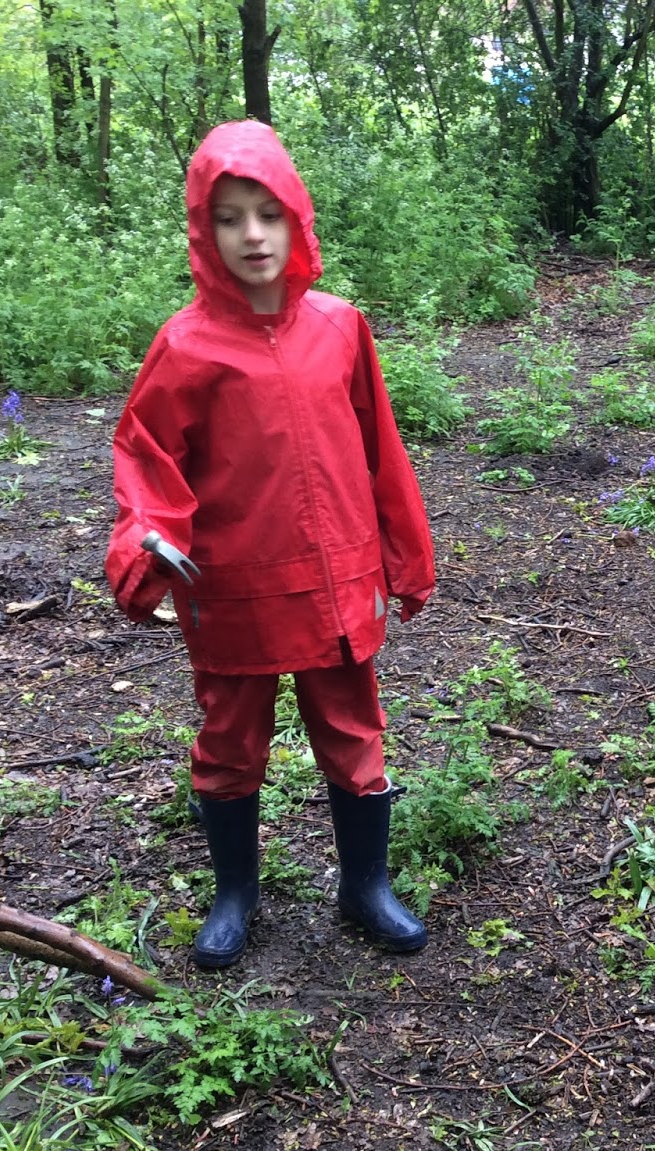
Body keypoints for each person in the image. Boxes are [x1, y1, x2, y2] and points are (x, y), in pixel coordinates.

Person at [105, 121, 436, 969]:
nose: (251, 234)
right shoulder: (186, 345)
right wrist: (147, 546)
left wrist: (405, 554)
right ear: (203, 231)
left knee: (353, 728)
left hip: (336, 576)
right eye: (229, 217)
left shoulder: (339, 326)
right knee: (229, 738)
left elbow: (380, 450)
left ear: (296, 218)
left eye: (268, 212)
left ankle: (364, 886)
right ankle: (235, 893)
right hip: (236, 585)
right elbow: (147, 457)